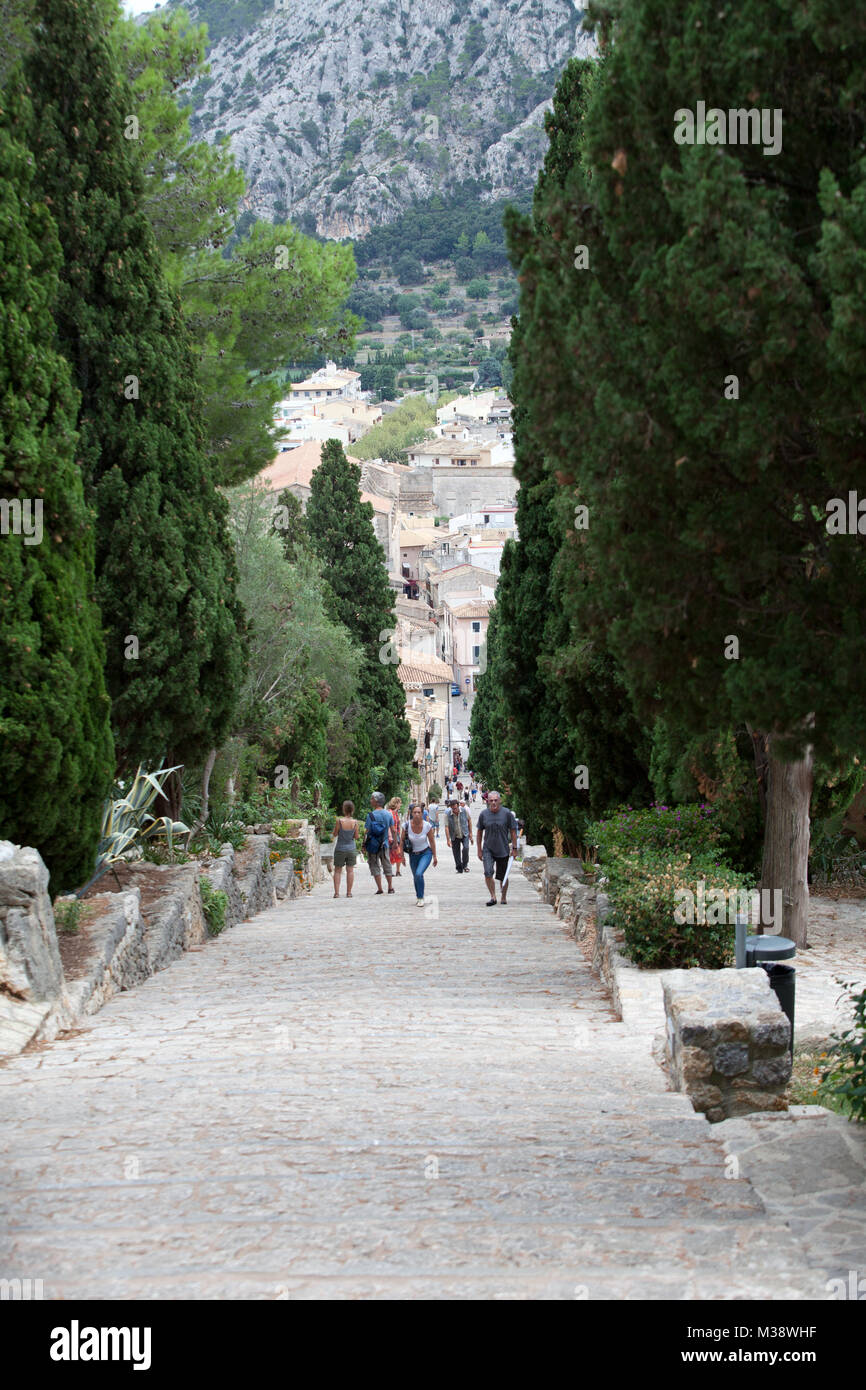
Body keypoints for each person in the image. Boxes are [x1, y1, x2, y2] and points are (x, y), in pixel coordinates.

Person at [476, 789, 518, 906]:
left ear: (499, 801)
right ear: (487, 801)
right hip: (488, 848)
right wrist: (479, 849)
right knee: (488, 872)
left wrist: (514, 849)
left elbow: (513, 831)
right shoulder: (483, 815)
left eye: (495, 800)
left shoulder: (507, 813)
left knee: (502, 875)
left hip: (502, 848)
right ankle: (493, 896)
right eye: (491, 801)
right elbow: (479, 832)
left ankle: (503, 896)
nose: (493, 803)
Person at [402, 803, 437, 906]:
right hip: (413, 855)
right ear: (411, 813)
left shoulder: (427, 826)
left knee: (418, 874)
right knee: (416, 877)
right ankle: (418, 896)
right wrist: (402, 856)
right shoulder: (406, 825)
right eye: (415, 812)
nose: (416, 814)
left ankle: (421, 898)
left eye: (419, 812)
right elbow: (402, 841)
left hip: (425, 853)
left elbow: (432, 841)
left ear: (422, 813)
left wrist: (434, 856)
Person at [364, 792, 396, 895]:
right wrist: (395, 842)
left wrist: (364, 844)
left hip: (373, 845)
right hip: (384, 843)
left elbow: (367, 832)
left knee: (374, 865)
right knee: (387, 864)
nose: (370, 801)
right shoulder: (388, 814)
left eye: (372, 799)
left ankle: (380, 888)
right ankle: (390, 887)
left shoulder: (370, 815)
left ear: (376, 801)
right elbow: (393, 830)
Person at [331, 801, 359, 898]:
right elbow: (356, 836)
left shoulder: (339, 821)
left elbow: (335, 834)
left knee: (337, 871)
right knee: (350, 870)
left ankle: (337, 893)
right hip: (351, 848)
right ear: (352, 810)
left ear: (344, 809)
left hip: (340, 848)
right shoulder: (355, 822)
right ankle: (349, 892)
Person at [444, 798, 471, 873]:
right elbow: (446, 827)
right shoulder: (448, 814)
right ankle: (459, 868)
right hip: (454, 835)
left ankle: (465, 865)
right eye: (452, 808)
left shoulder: (464, 811)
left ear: (458, 806)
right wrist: (448, 840)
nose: (454, 809)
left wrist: (471, 833)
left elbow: (469, 820)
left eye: (455, 808)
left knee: (466, 848)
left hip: (464, 833)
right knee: (456, 853)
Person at [388, 796, 404, 876]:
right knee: (391, 853)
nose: (400, 805)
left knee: (398, 852)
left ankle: (397, 871)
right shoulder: (390, 813)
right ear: (396, 803)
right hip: (390, 835)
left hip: (396, 835)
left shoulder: (396, 813)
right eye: (400, 803)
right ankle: (390, 871)